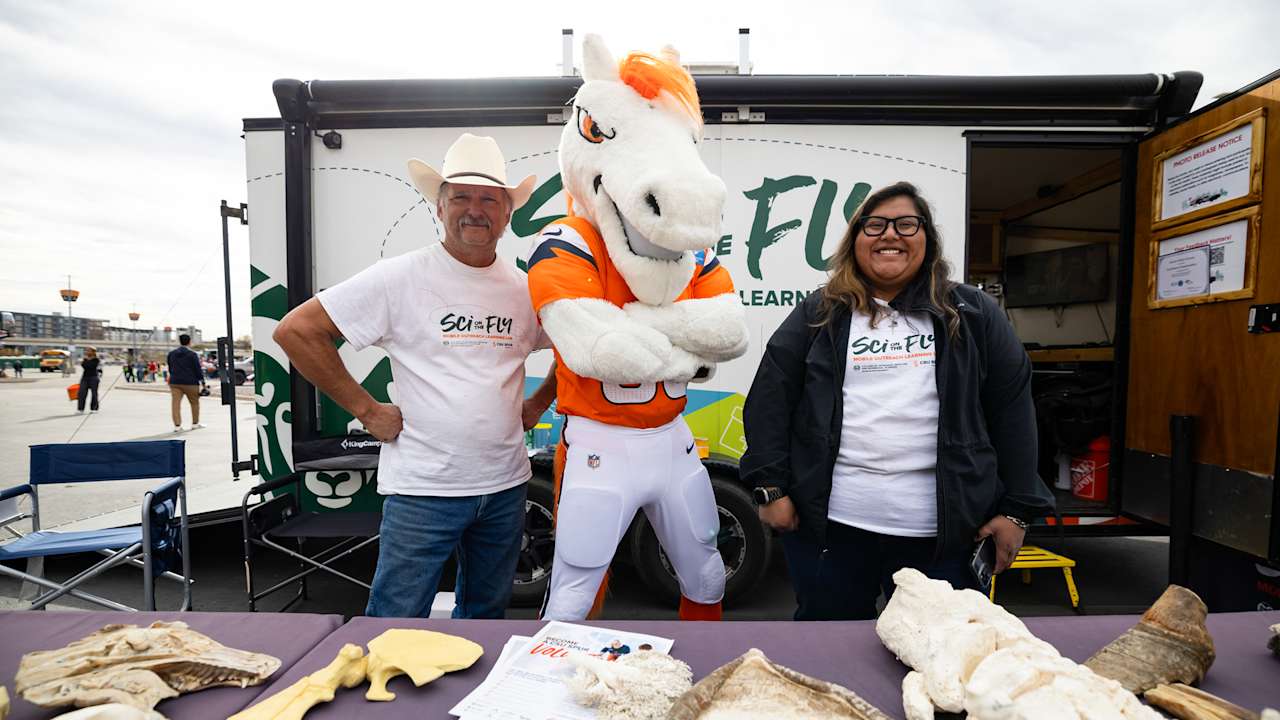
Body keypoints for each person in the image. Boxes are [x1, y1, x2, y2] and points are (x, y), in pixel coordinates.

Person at [740, 181, 1054, 621]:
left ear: (928, 239)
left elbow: (1013, 411)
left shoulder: (974, 313)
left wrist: (1017, 512)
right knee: (830, 651)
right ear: (856, 241)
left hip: (946, 540)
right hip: (833, 533)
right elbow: (770, 399)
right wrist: (771, 488)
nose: (890, 234)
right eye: (875, 225)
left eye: (907, 224)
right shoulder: (820, 313)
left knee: (943, 651)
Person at [273, 133, 555, 619]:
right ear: (439, 207)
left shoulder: (526, 289)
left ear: (508, 214)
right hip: (423, 490)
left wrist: (539, 402)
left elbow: (579, 346)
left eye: (489, 199)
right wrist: (366, 410)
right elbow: (296, 332)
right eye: (461, 197)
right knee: (395, 618)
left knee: (486, 617)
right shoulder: (397, 277)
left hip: (506, 486)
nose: (475, 209)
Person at [167, 334, 206, 432]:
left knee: (175, 404)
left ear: (179, 341)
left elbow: (170, 367)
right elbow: (197, 369)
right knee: (194, 403)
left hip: (175, 382)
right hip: (191, 382)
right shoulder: (192, 354)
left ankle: (177, 426)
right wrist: (202, 382)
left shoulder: (171, 354)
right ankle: (195, 424)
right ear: (189, 342)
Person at [76, 347, 101, 414]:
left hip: (94, 377)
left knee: (94, 393)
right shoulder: (85, 359)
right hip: (85, 378)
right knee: (81, 393)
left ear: (93, 352)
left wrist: (86, 362)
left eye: (88, 350)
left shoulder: (96, 359)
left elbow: (90, 366)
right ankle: (80, 409)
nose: (87, 352)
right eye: (86, 350)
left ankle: (94, 408)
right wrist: (86, 362)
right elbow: (84, 366)